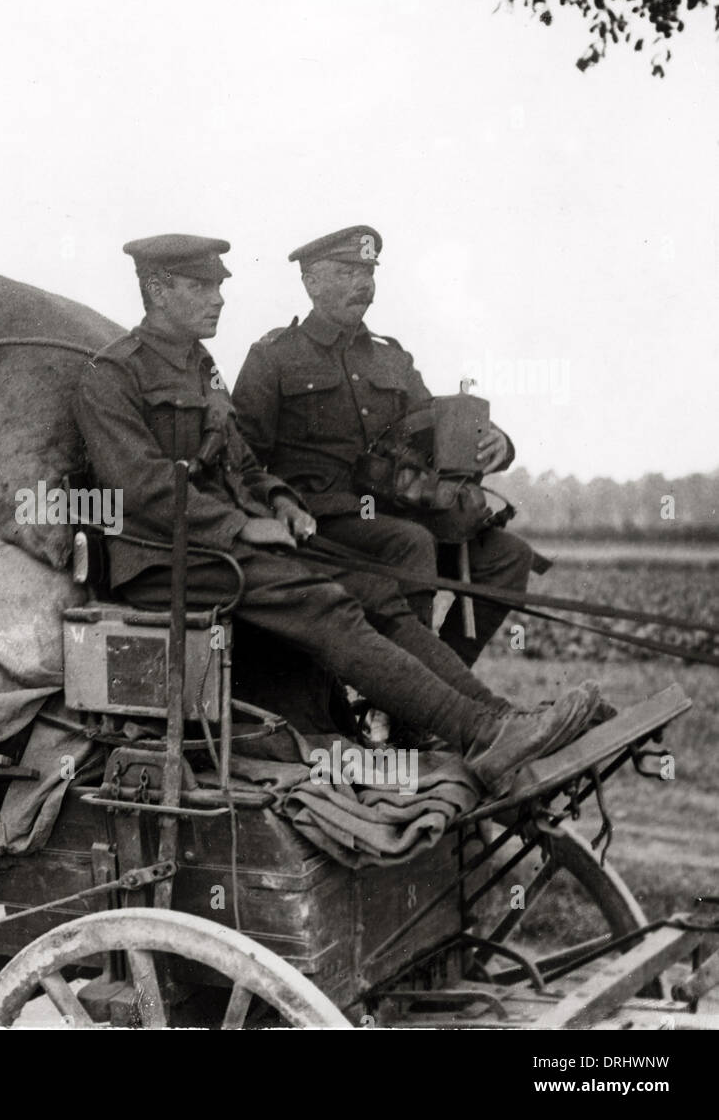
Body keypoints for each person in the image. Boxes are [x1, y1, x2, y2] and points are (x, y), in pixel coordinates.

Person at [74, 233, 598, 798]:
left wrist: (279, 501)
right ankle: (480, 731)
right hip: (165, 561)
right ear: (157, 289)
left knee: (374, 590)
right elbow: (144, 488)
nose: (219, 298)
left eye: (219, 285)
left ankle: (502, 720)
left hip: (221, 547)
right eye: (203, 286)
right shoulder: (113, 376)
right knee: (328, 603)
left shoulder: (203, 369)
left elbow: (244, 462)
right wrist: (241, 525)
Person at [232, 226, 533, 666]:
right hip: (321, 523)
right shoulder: (274, 357)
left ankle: (441, 680)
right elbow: (242, 458)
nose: (362, 284)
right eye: (346, 272)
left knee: (509, 557)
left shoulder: (392, 358)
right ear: (310, 283)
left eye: (368, 272)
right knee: (410, 542)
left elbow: (436, 430)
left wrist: (497, 444)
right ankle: (420, 708)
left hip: (396, 513)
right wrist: (276, 508)